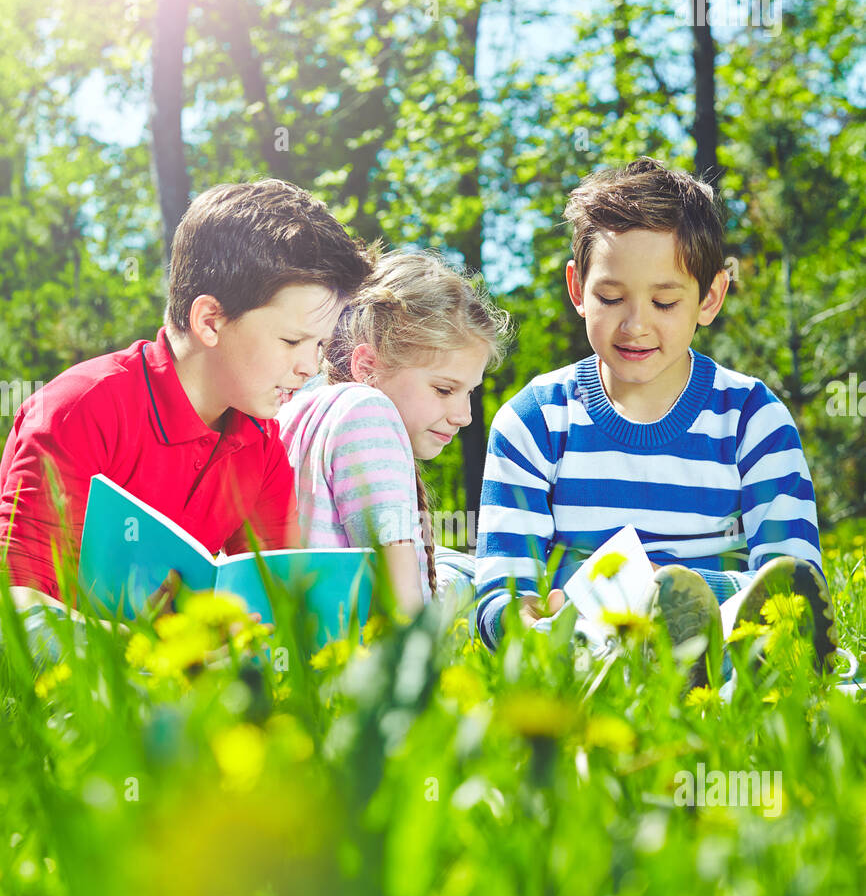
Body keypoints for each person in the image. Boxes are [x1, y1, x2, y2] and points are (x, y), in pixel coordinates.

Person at [474, 156, 837, 682]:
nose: (635, 324)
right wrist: (520, 618)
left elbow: (793, 581)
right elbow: (502, 590)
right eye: (611, 297)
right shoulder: (534, 422)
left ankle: (725, 669)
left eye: (665, 302)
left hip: (729, 635)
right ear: (578, 290)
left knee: (772, 622)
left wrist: (684, 595)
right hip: (590, 646)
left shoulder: (754, 421)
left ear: (709, 298)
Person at [0, 179, 373, 642]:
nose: (309, 365)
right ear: (209, 322)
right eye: (293, 340)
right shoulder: (80, 409)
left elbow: (277, 607)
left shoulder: (263, 449)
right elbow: (14, 607)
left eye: (319, 344)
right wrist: (148, 650)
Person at [277, 249, 509, 628]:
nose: (463, 416)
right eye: (444, 389)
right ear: (367, 367)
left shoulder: (298, 409)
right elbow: (405, 619)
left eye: (469, 392)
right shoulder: (367, 411)